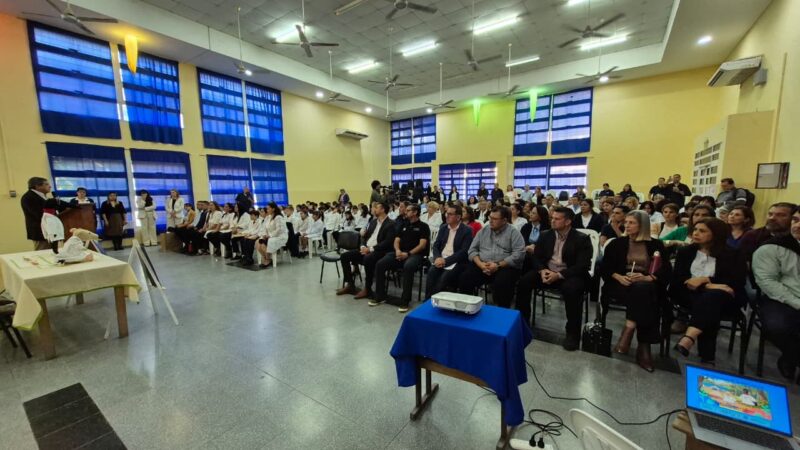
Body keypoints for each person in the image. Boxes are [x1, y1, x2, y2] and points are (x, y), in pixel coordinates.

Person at [601, 210, 671, 372]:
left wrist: (649, 278)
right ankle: (644, 347)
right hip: (621, 284)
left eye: (632, 223)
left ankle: (629, 328)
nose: (627, 225)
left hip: (647, 284)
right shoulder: (617, 243)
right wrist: (619, 277)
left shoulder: (656, 245)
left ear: (643, 225)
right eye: (626, 222)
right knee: (646, 297)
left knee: (643, 289)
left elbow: (666, 270)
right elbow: (605, 268)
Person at [515, 207, 593, 350]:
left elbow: (583, 266)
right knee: (524, 282)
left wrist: (559, 275)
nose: (553, 221)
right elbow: (536, 257)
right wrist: (542, 270)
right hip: (547, 271)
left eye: (557, 219)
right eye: (552, 218)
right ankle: (522, 323)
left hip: (569, 274)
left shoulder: (581, 239)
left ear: (568, 222)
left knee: (572, 290)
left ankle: (572, 333)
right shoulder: (546, 235)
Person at [671, 218, 746, 364]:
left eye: (702, 231)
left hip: (724, 300)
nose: (696, 233)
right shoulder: (685, 251)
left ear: (716, 234)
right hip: (688, 294)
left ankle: (689, 337)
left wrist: (706, 281)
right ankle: (705, 355)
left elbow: (736, 282)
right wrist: (714, 285)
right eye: (695, 230)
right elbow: (679, 280)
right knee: (711, 301)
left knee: (712, 298)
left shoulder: (733, 254)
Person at [752, 207, 800, 381]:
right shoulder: (771, 248)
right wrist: (796, 303)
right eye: (795, 220)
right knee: (778, 326)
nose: (797, 226)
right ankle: (792, 357)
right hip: (780, 298)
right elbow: (768, 283)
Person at [458, 206, 525, 309]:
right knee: (464, 278)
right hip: (482, 265)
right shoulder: (484, 230)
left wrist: (498, 265)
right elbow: (472, 250)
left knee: (502, 284)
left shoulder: (513, 232)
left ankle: (502, 313)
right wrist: (480, 264)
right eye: (490, 218)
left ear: (504, 220)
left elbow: (519, 254)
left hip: (504, 267)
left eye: (494, 219)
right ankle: (467, 308)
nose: (490, 221)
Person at [372, 204, 430, 312]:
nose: (405, 212)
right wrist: (398, 250)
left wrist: (408, 253)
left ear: (415, 212)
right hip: (400, 253)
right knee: (381, 263)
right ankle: (380, 296)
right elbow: (396, 240)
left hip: (415, 255)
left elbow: (422, 245)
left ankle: (405, 301)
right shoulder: (404, 225)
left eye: (408, 210)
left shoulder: (423, 226)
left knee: (408, 266)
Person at [337, 202, 396, 299]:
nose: (373, 209)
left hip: (380, 251)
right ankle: (350, 284)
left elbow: (388, 242)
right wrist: (362, 246)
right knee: (345, 256)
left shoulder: (391, 224)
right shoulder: (373, 222)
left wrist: (370, 249)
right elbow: (364, 236)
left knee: (368, 259)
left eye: (376, 208)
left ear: (383, 210)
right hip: (366, 249)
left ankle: (367, 289)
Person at [425, 204, 474, 299]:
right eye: (447, 213)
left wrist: (446, 261)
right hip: (441, 259)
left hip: (456, 262)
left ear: (458, 217)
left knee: (444, 279)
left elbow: (463, 252)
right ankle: (427, 301)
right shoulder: (443, 227)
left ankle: (434, 301)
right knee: (431, 272)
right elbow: (436, 245)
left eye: (450, 214)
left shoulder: (467, 230)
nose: (447, 215)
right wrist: (437, 258)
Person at [21, 177, 69, 250]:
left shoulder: (42, 196)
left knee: (51, 254)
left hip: (49, 230)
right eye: (46, 184)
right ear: (37, 186)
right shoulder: (29, 197)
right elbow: (39, 214)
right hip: (41, 231)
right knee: (43, 254)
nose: (50, 186)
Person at [256, 202, 288, 268]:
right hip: (270, 235)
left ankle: (268, 260)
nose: (267, 210)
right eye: (267, 209)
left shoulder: (278, 217)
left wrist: (270, 235)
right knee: (258, 242)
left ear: (273, 209)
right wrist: (265, 235)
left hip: (280, 236)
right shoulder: (269, 217)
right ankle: (267, 258)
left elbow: (279, 230)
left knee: (265, 243)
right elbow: (265, 227)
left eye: (268, 209)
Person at [520, 205, 550, 271]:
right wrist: (528, 247)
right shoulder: (526, 227)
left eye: (533, 213)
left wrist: (535, 247)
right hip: (526, 252)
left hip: (540, 254)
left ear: (540, 216)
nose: (530, 214)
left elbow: (547, 244)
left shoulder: (547, 228)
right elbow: (522, 241)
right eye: (531, 212)